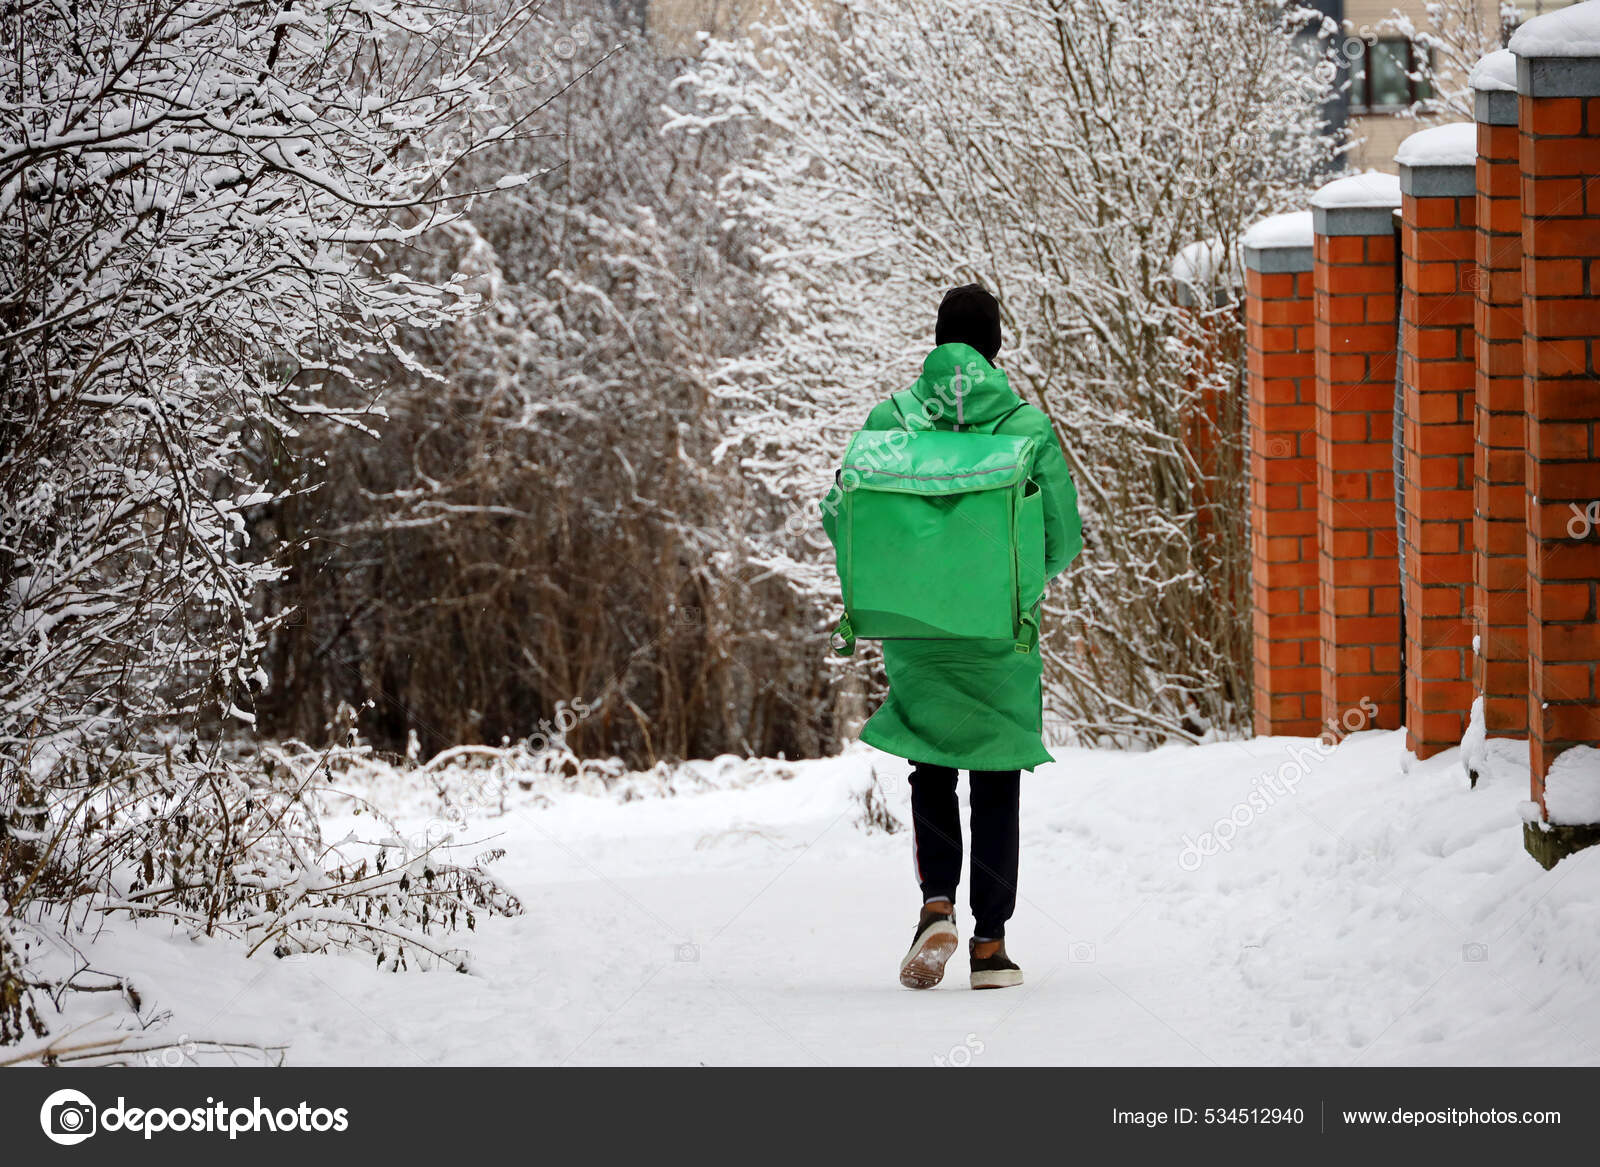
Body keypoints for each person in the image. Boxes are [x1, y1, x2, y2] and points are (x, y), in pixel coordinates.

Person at [825, 284, 1082, 990]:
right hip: (1000, 631)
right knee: (996, 775)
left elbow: (841, 513)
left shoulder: (891, 419)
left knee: (930, 764)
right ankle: (991, 946)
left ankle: (936, 904)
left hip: (914, 629)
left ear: (936, 342)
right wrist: (1013, 582)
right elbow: (1065, 538)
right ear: (996, 348)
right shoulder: (1026, 426)